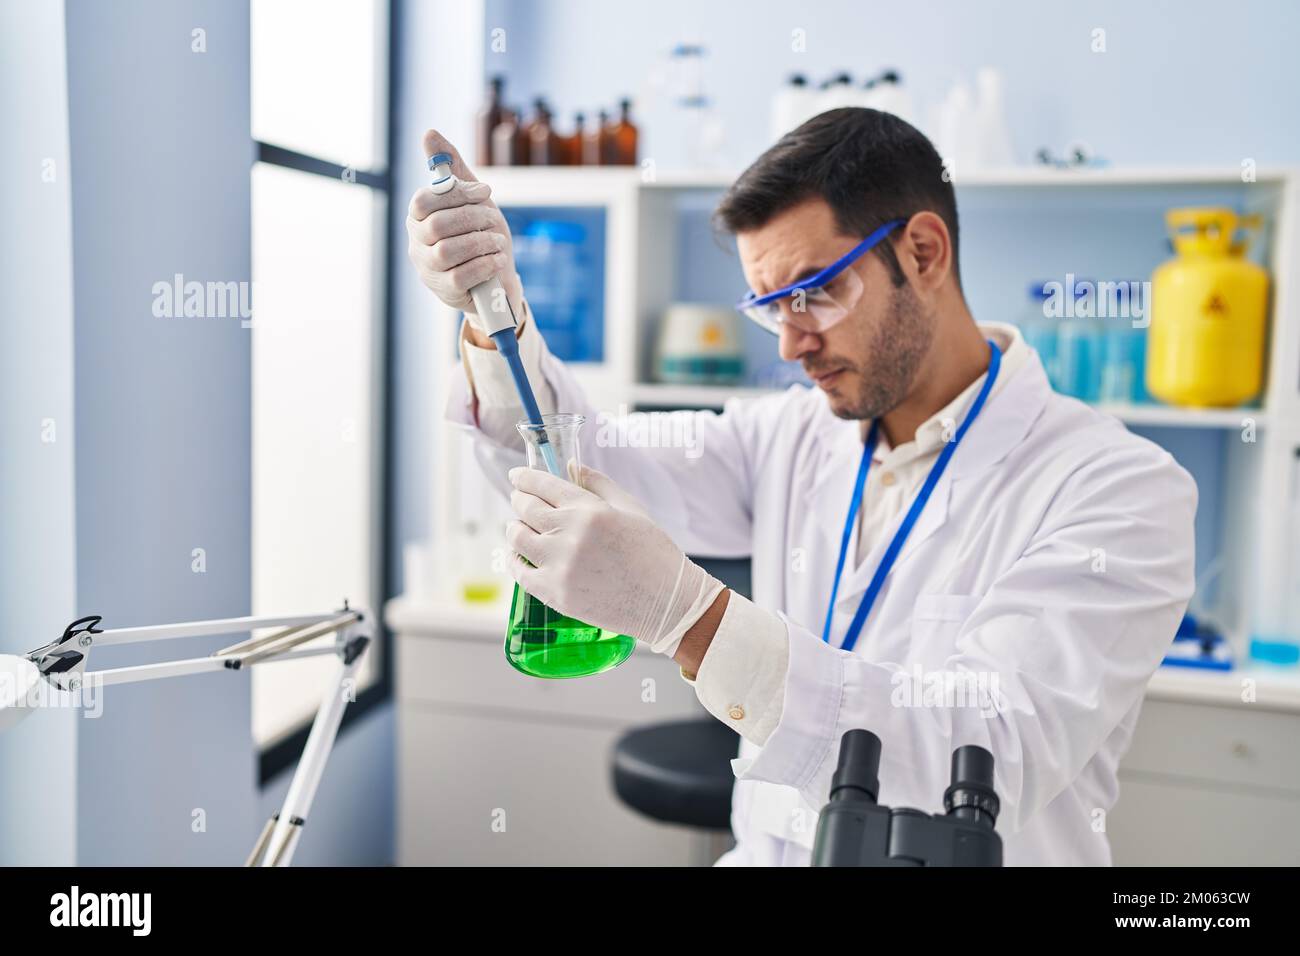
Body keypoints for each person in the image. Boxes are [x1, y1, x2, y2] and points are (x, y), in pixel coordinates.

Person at [405, 108, 1196, 866]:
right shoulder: (788, 433)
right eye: (768, 306)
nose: (790, 342)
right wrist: (490, 311)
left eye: (815, 292)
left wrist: (690, 618)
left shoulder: (1117, 488)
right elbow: (581, 456)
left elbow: (985, 756)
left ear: (923, 253)